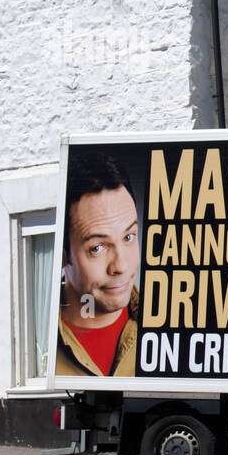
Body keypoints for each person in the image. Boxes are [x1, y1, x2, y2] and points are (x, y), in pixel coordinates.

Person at [56, 152, 140, 376]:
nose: (120, 266)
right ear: (62, 256)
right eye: (97, 248)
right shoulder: (37, 338)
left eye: (129, 237)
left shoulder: (168, 331)